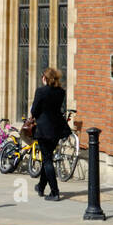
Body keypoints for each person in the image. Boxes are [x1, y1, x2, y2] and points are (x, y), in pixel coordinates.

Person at [30, 65, 66, 201]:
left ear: (45, 78)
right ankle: (40, 186)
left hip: (44, 129)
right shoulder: (61, 92)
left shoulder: (41, 91)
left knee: (47, 159)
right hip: (57, 129)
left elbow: (34, 111)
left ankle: (55, 192)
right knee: (48, 158)